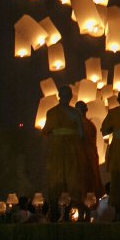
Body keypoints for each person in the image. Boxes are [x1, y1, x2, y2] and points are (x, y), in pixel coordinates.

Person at [42, 84, 84, 220]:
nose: (66, 97)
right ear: (61, 96)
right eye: (65, 95)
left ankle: (67, 213)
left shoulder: (76, 113)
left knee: (70, 181)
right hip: (57, 151)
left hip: (70, 150)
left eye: (68, 95)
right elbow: (47, 131)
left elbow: (81, 133)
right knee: (57, 180)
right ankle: (54, 211)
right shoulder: (52, 112)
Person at [74, 101, 103, 203]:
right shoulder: (90, 124)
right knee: (89, 184)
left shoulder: (78, 125)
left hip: (81, 158)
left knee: (82, 184)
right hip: (90, 158)